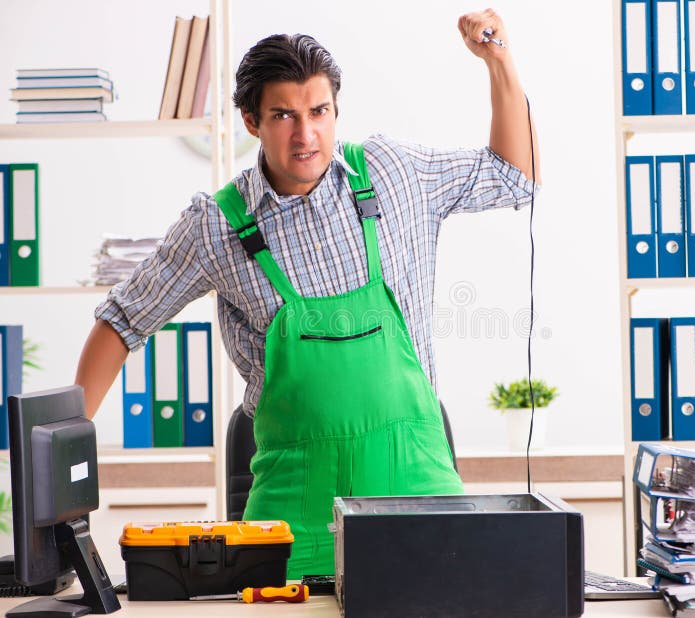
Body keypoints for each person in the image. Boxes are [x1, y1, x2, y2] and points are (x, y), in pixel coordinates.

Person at [75, 8, 540, 578]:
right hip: (289, 530)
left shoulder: (395, 174)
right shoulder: (217, 226)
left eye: (319, 112)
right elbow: (122, 321)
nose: (306, 134)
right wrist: (68, 455)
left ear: (336, 111)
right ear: (251, 121)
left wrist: (499, 60)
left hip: (421, 504)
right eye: (284, 116)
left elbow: (515, 175)